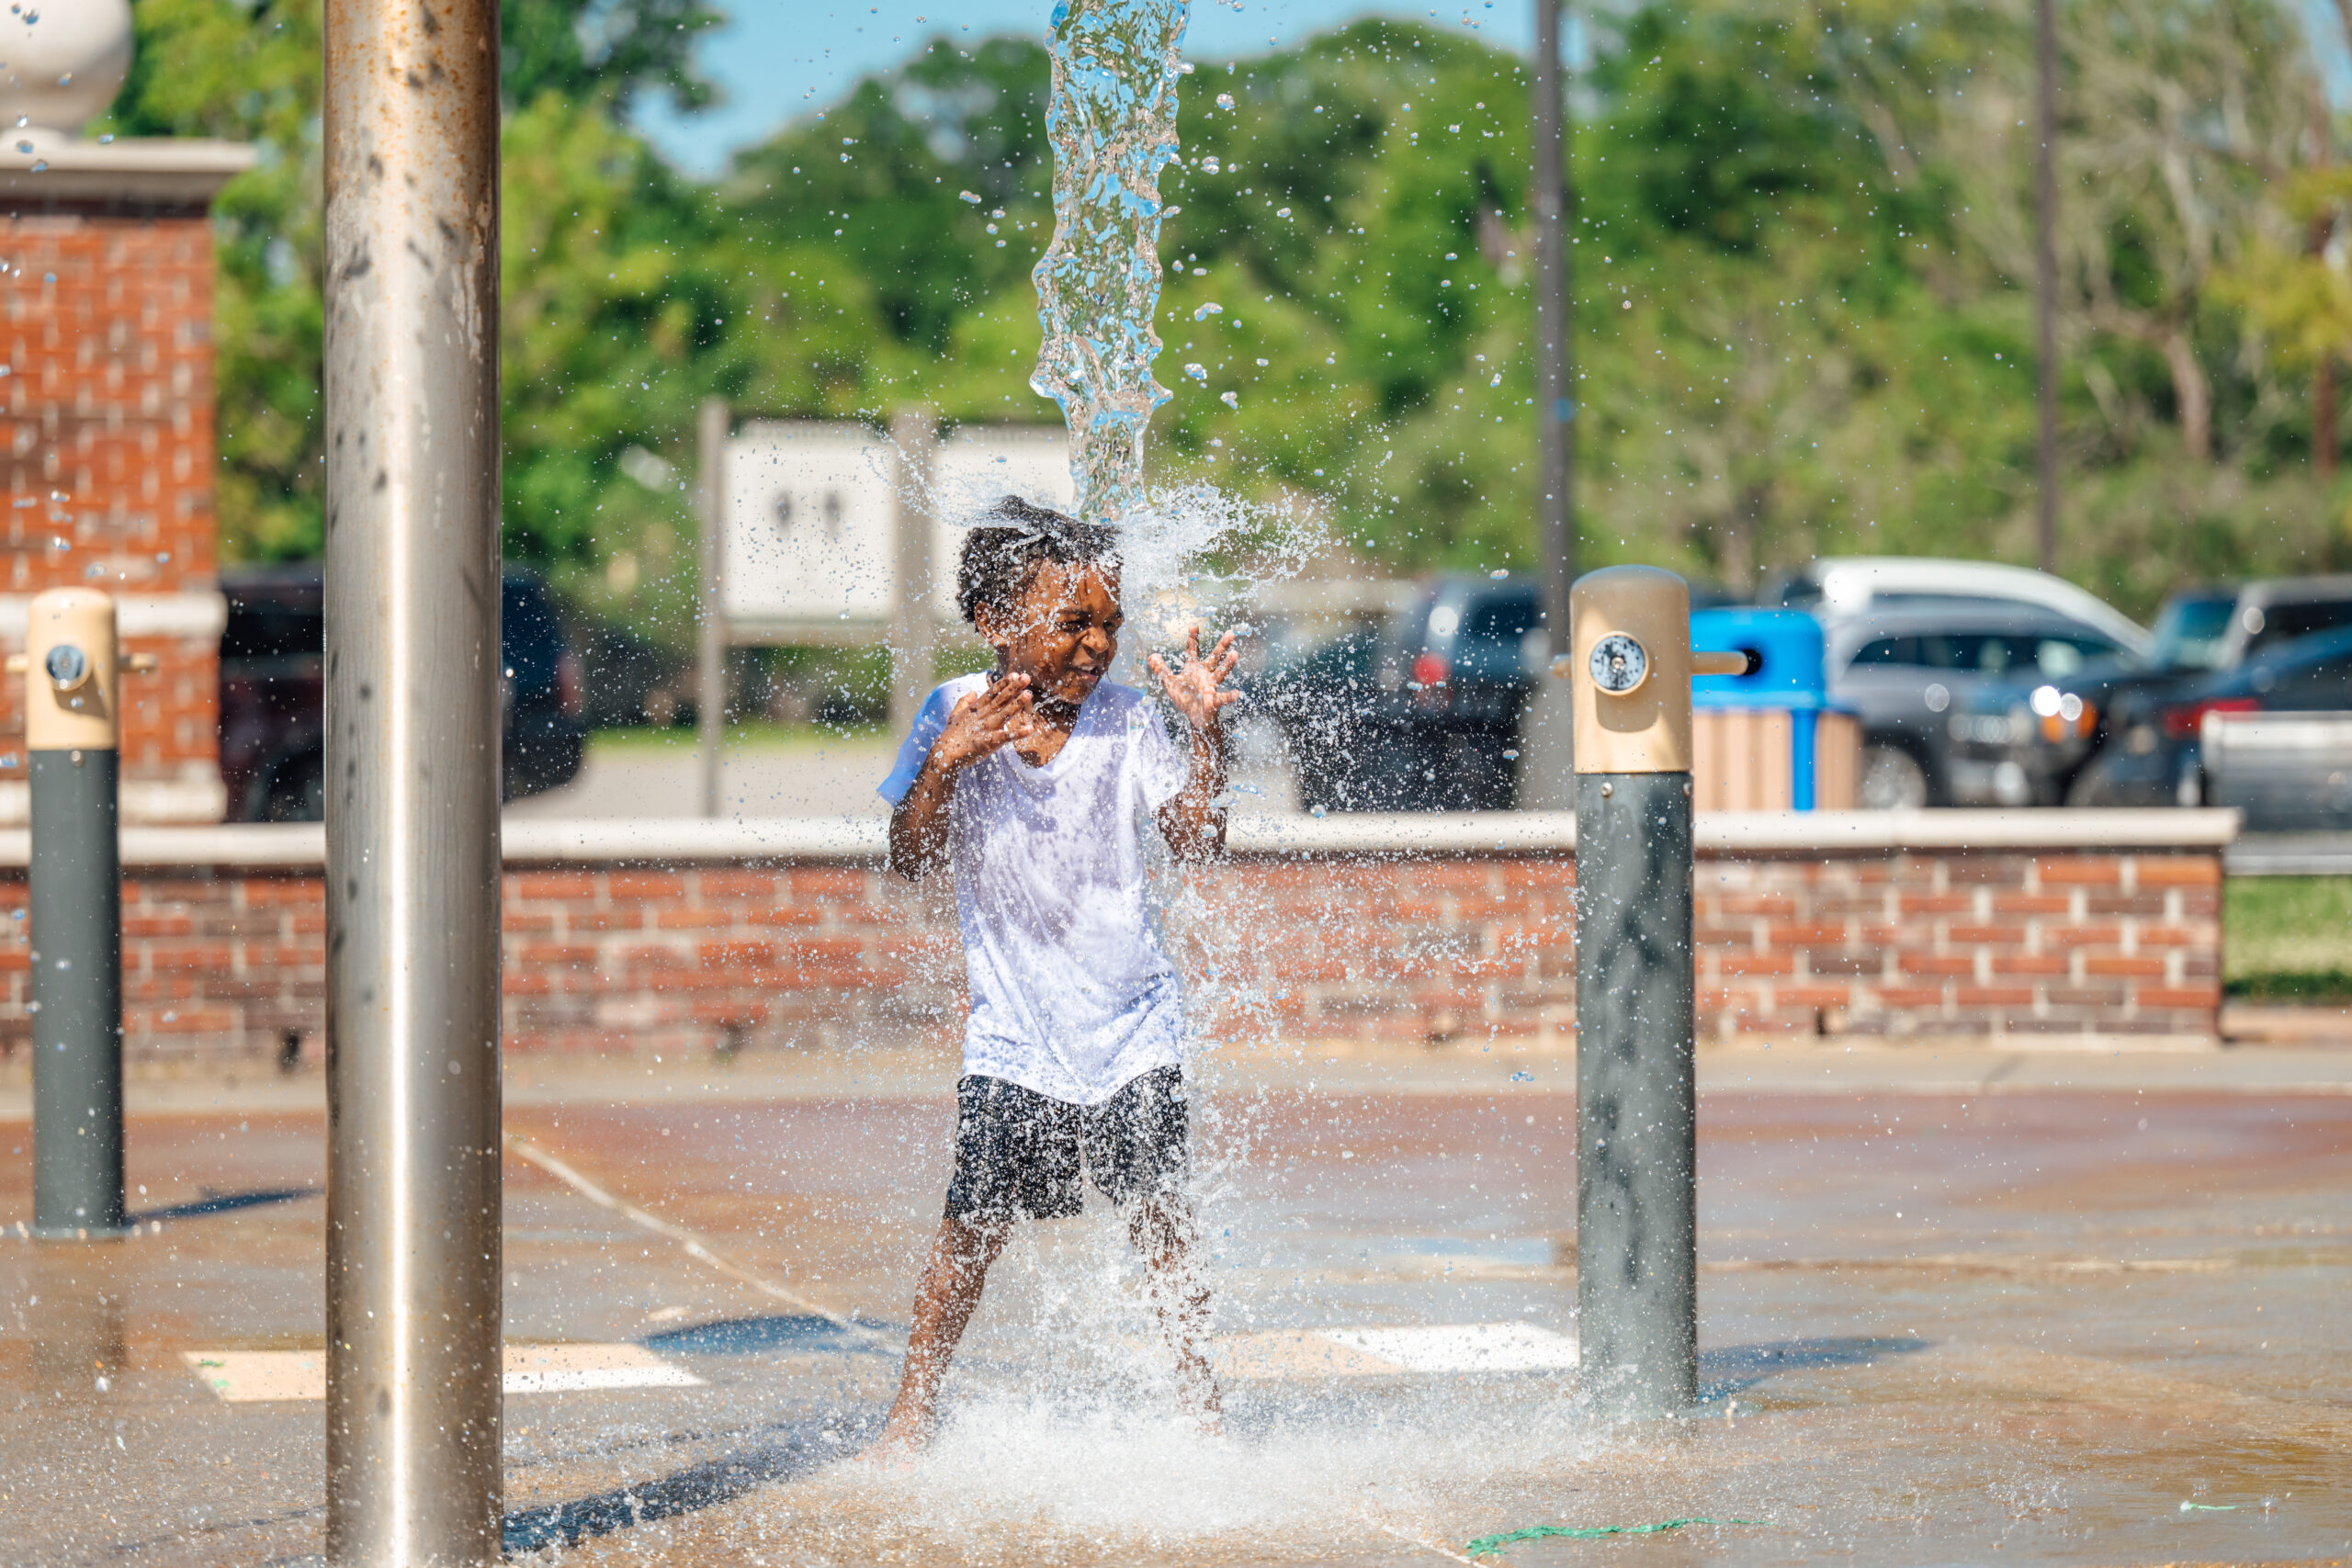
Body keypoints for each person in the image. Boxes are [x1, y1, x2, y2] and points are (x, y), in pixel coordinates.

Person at [868, 495, 1237, 1459]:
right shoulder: (951, 712)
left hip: (1130, 1023)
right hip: (1015, 1028)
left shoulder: (1126, 722)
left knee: (1161, 1216)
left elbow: (1196, 841)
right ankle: (911, 1414)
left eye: (1109, 623)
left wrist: (1208, 740)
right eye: (1072, 621)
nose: (1096, 645)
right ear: (997, 622)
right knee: (970, 1227)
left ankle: (1203, 1415)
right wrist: (944, 765)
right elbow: (907, 861)